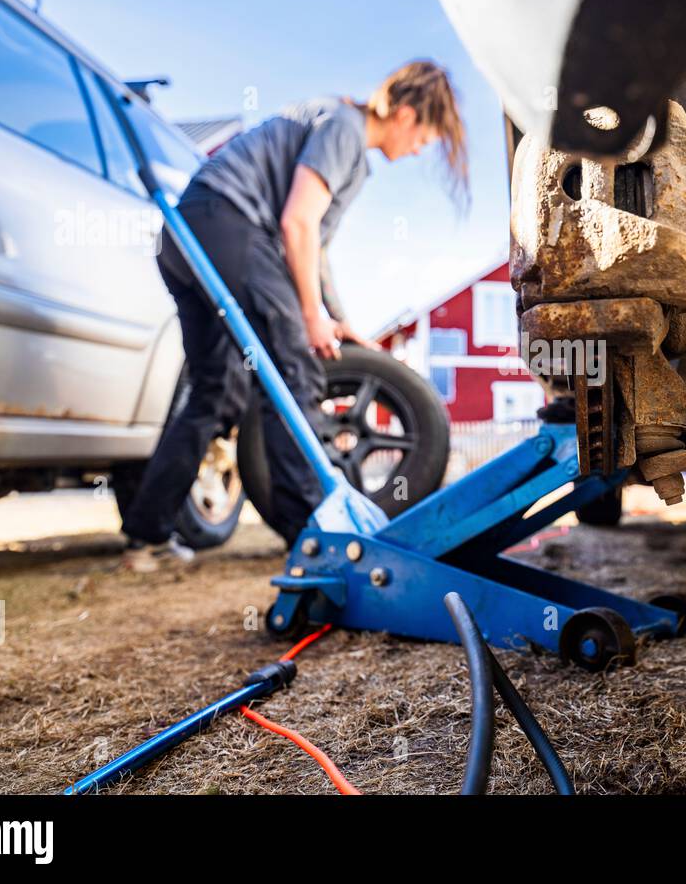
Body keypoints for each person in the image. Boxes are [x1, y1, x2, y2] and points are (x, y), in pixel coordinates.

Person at [121, 60, 468, 570]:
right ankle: (314, 534)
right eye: (425, 137)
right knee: (292, 372)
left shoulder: (342, 133)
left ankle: (145, 539)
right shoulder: (344, 127)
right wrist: (309, 317)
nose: (419, 149)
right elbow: (297, 224)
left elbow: (313, 246)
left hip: (188, 235)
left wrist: (334, 316)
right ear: (407, 114)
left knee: (215, 390)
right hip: (227, 221)